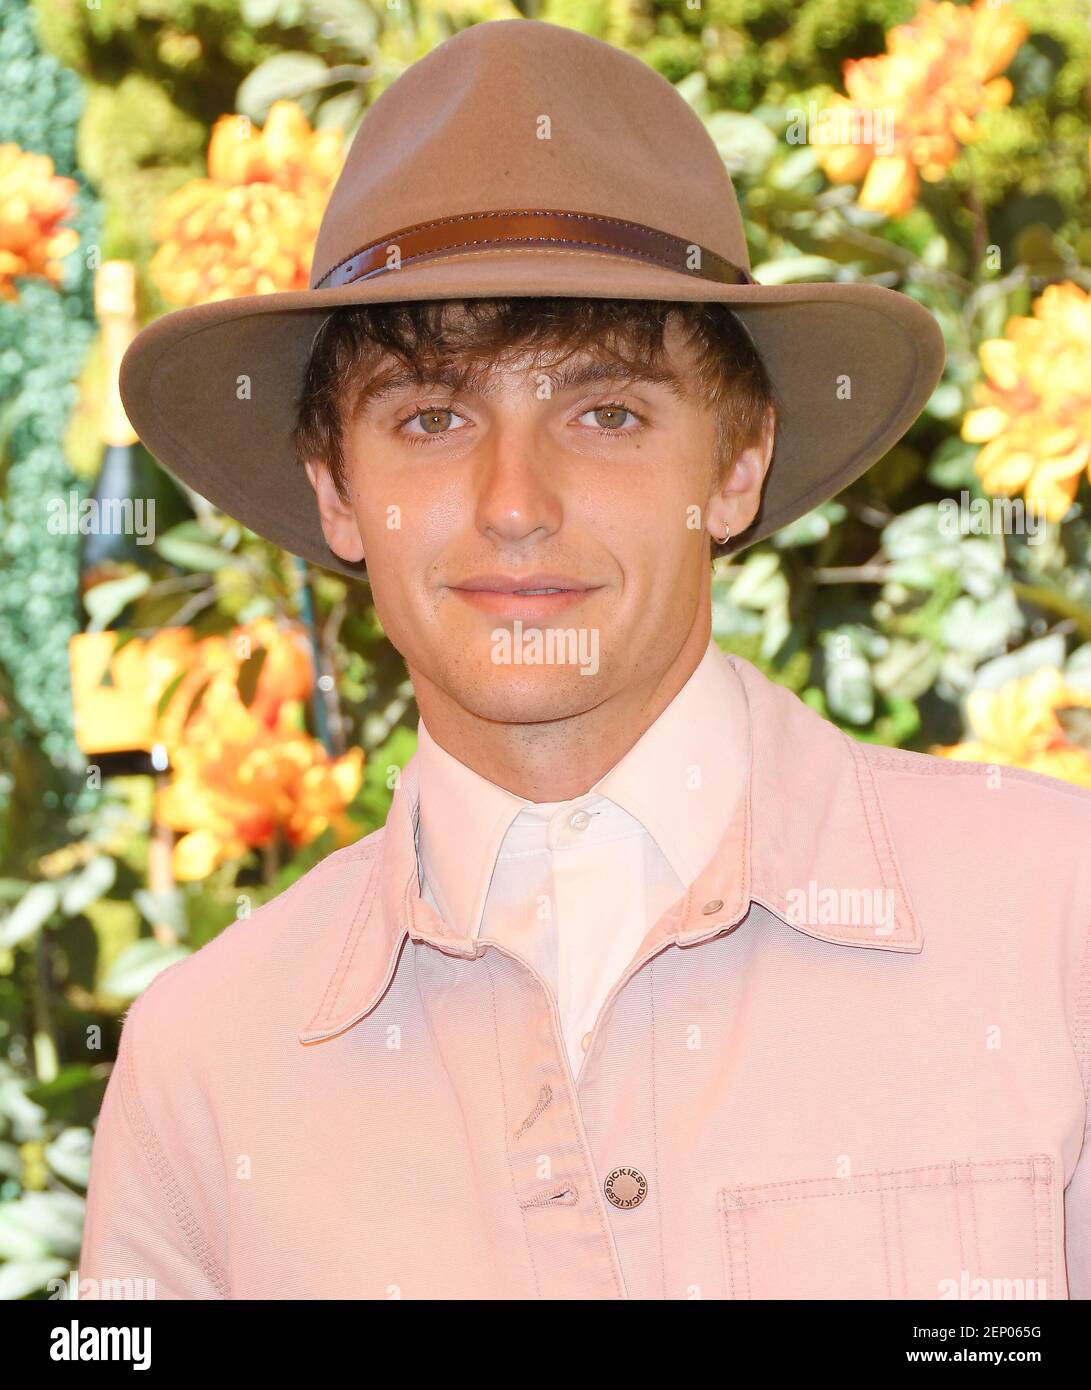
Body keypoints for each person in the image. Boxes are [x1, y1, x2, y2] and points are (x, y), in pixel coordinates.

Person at [79, 18, 1091, 1300]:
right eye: (434, 415)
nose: (514, 499)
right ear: (335, 490)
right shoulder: (204, 1065)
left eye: (604, 410)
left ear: (734, 465)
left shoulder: (1058, 929)